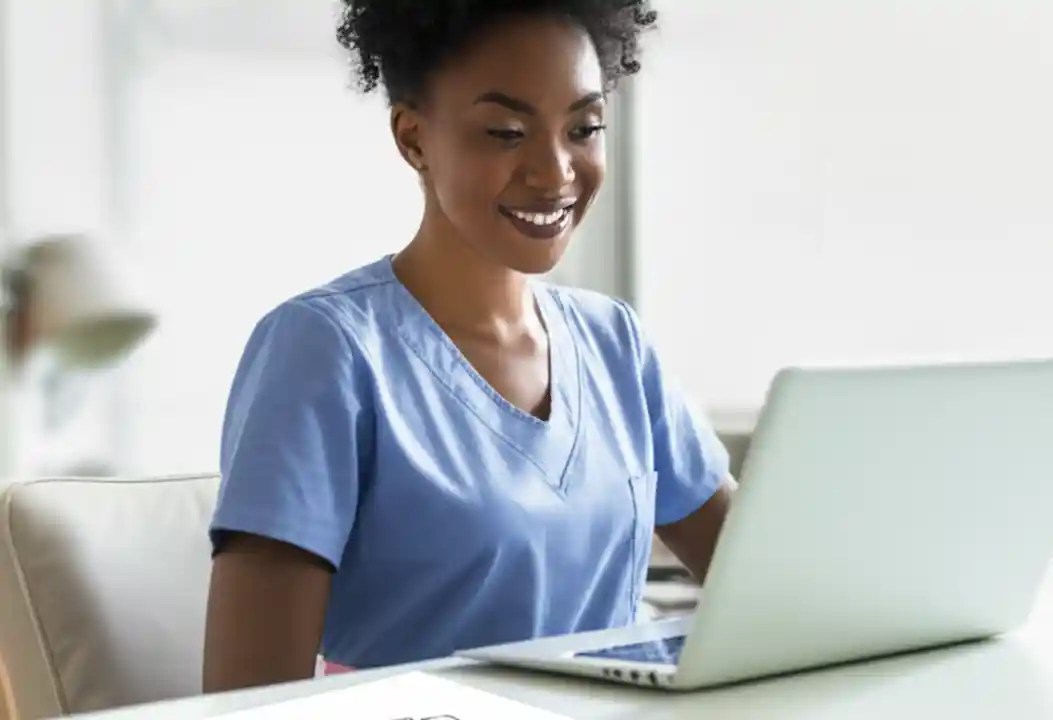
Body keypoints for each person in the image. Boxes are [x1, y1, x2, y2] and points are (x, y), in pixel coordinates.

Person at [202, 0, 735, 692]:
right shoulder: (324, 351)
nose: (555, 171)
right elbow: (248, 701)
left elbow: (769, 586)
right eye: (506, 131)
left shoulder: (616, 346)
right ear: (414, 138)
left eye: (585, 128)